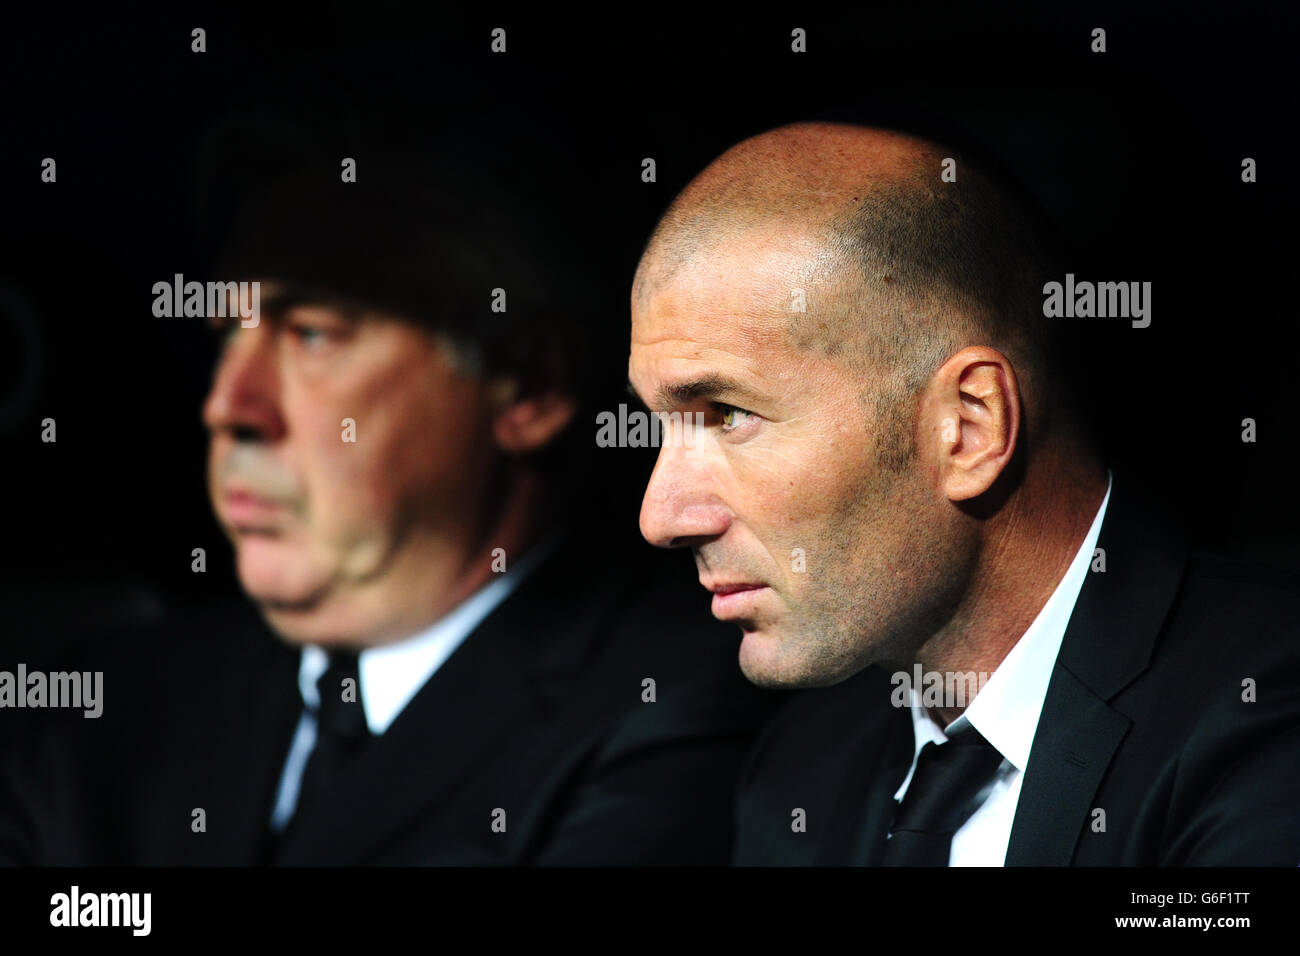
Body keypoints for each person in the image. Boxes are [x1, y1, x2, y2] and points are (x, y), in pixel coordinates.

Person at [0, 138, 781, 866]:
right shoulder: (107, 704)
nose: (229, 406)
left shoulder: (685, 700)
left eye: (311, 334)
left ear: (532, 385)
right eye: (227, 337)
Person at [627, 121, 1300, 865]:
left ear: (968, 427)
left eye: (728, 414)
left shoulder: (1267, 719)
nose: (660, 517)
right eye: (660, 426)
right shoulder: (804, 769)